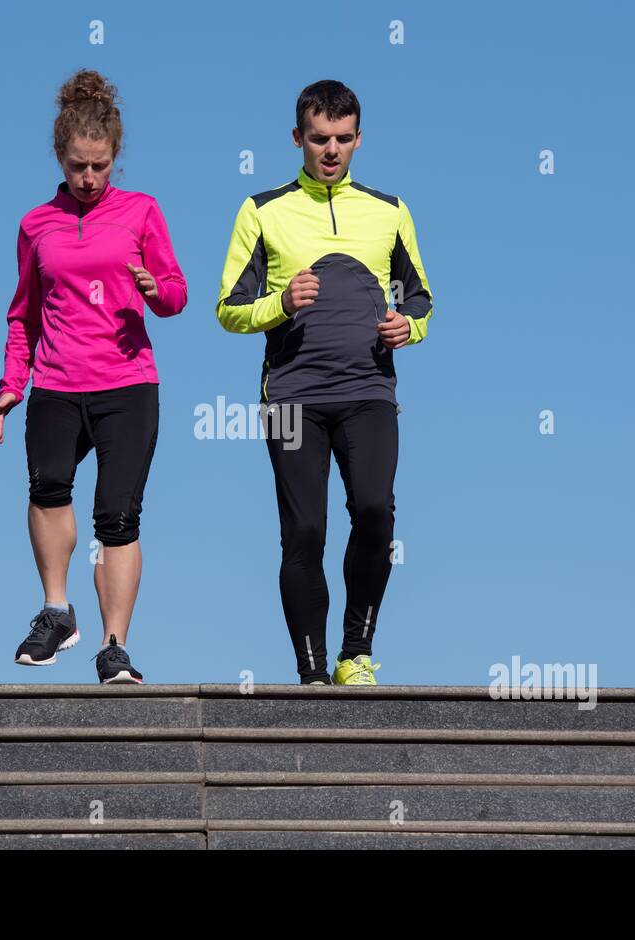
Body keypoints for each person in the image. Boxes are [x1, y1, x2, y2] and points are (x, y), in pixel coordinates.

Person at [215, 80, 433, 686]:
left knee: (374, 512)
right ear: (297, 139)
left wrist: (405, 328)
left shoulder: (390, 210)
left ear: (359, 139)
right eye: (318, 139)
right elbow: (229, 308)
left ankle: (355, 652)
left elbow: (421, 298)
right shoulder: (261, 210)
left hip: (368, 392)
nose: (330, 151)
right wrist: (280, 303)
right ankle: (311, 671)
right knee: (305, 529)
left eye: (342, 139)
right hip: (291, 396)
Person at [0, 69, 187, 684]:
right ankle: (56, 611)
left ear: (115, 159)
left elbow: (177, 293)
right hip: (54, 383)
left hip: (127, 384)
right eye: (78, 166)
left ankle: (114, 646)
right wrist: (9, 384)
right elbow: (22, 313)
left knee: (117, 517)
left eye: (99, 166)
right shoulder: (36, 224)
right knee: (47, 485)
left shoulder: (141, 211)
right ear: (60, 157)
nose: (88, 178)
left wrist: (158, 291)